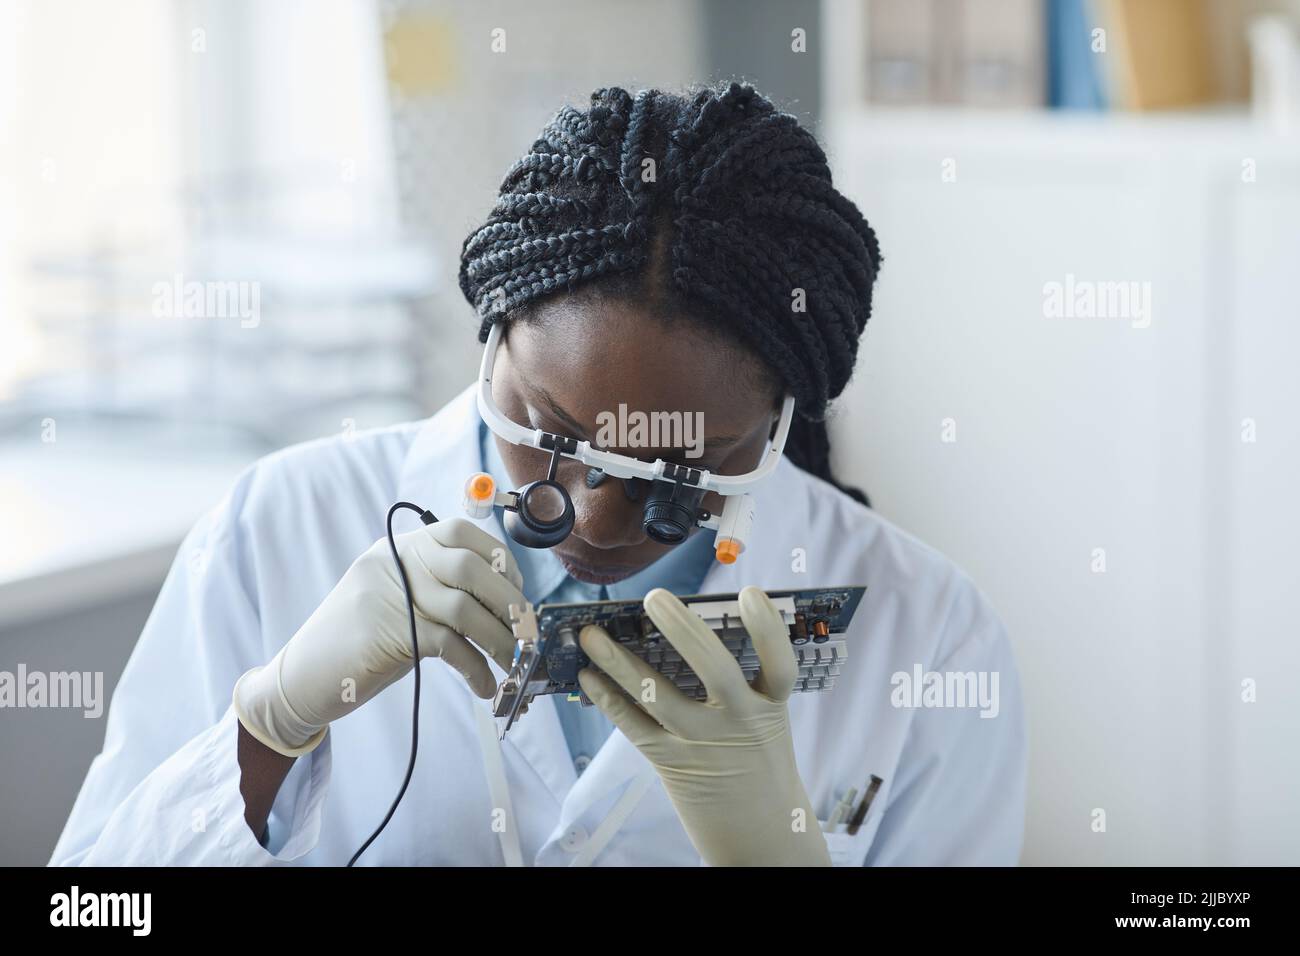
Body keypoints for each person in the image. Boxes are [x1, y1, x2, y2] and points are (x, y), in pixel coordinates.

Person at [49, 82, 1026, 866]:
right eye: (549, 429)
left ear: (775, 424)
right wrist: (270, 725)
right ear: (492, 343)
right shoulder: (277, 527)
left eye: (677, 468)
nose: (599, 516)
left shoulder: (929, 631)